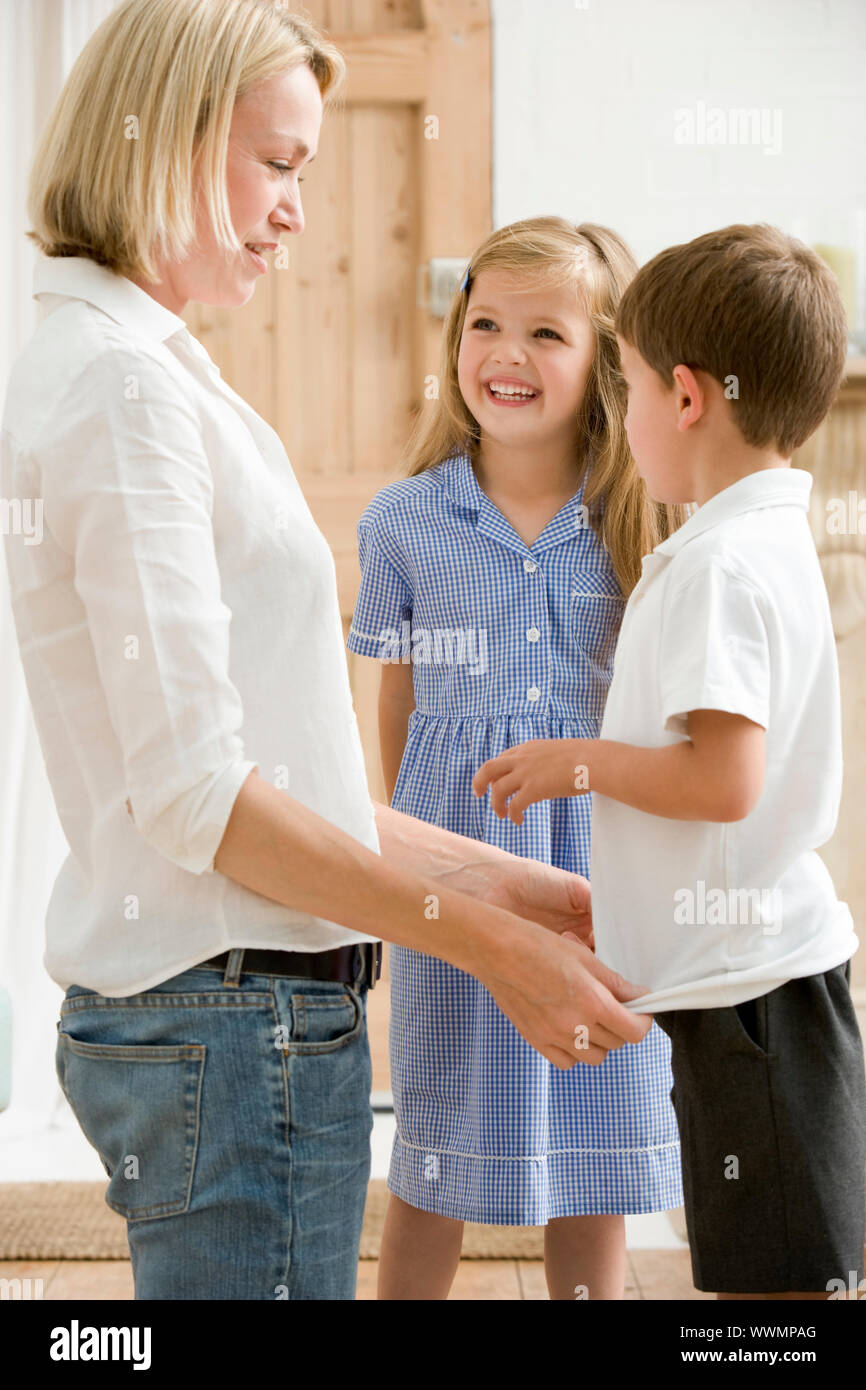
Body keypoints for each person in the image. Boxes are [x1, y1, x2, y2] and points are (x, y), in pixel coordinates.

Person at [0, 0, 652, 1301]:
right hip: (232, 1028)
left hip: (236, 1020)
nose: (299, 207)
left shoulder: (144, 368)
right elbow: (203, 803)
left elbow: (267, 781)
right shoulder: (126, 391)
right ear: (165, 142)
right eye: (278, 162)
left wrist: (511, 890)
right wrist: (476, 941)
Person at [474, 223, 866, 1300]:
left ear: (685, 398)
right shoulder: (748, 538)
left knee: (774, 1287)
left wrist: (576, 762)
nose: (623, 411)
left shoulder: (719, 566)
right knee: (762, 1269)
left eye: (631, 384)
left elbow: (719, 781)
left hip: (757, 1005)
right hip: (743, 990)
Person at [347, 216, 688, 1300]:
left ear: (603, 361)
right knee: (436, 1138)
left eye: (546, 331)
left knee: (591, 1140)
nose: (505, 351)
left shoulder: (642, 521)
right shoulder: (404, 521)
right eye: (485, 322)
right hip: (456, 866)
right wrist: (409, 860)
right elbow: (397, 711)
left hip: (598, 869)